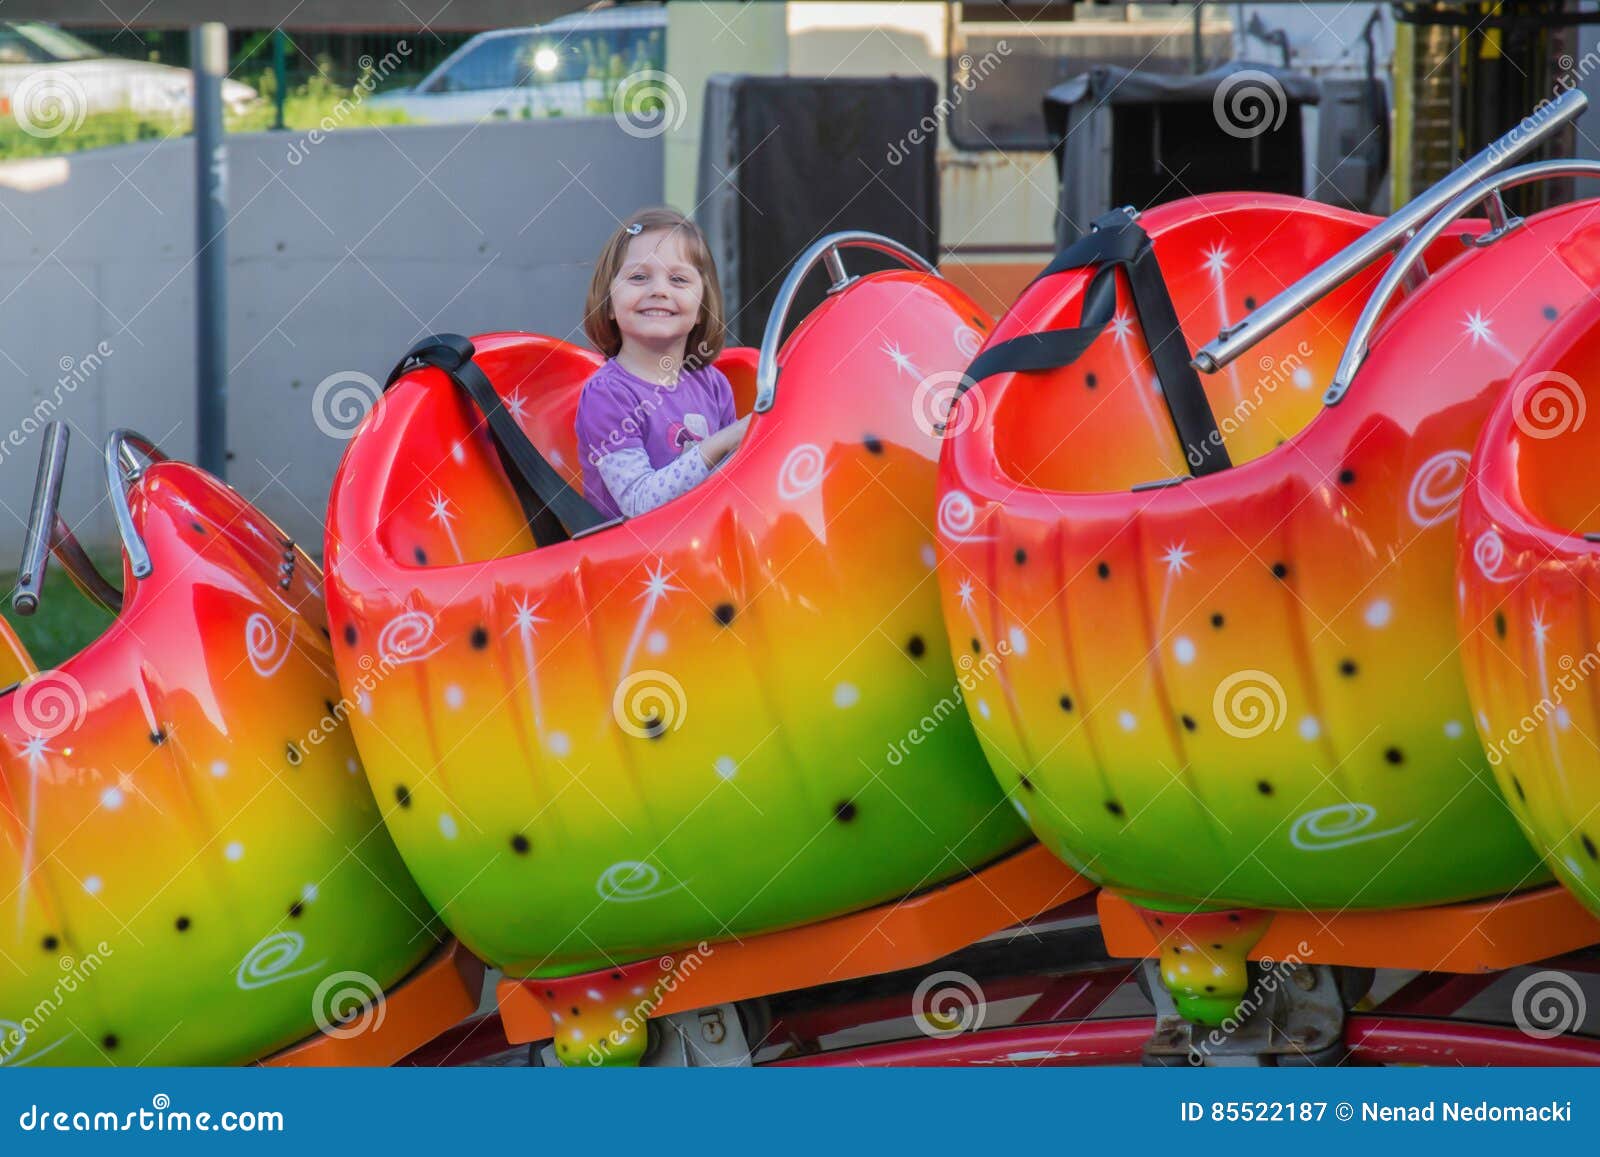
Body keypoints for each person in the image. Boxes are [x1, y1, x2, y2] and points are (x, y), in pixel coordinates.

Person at [576, 207, 750, 520]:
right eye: (639, 277)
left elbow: (730, 485)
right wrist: (725, 440)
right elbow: (639, 505)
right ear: (609, 304)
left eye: (679, 279)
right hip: (630, 563)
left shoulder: (713, 385)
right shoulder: (607, 395)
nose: (658, 290)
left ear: (700, 309)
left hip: (701, 553)